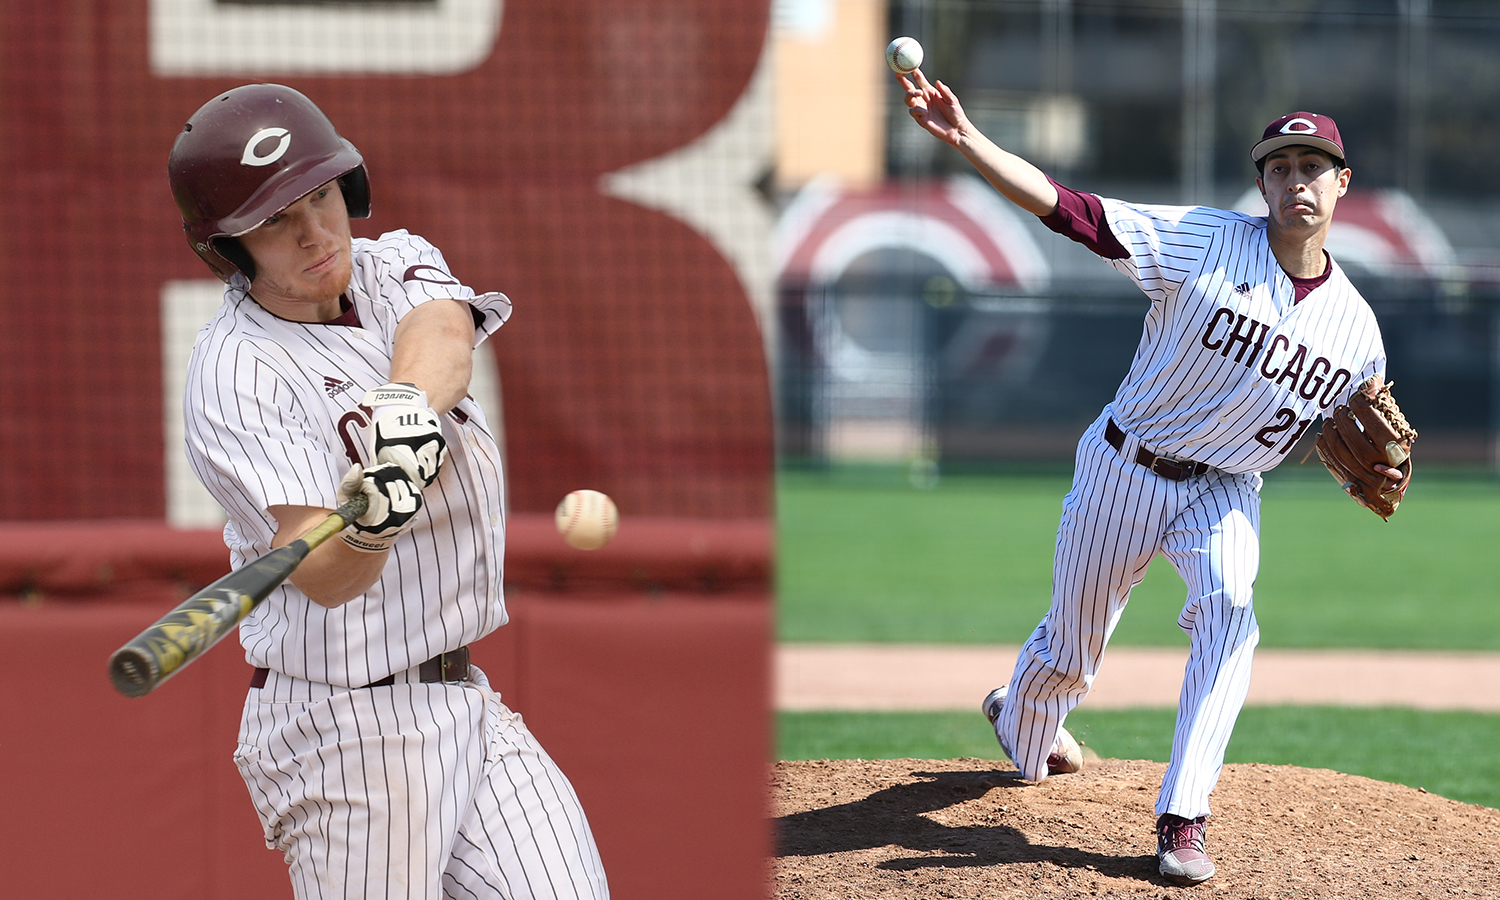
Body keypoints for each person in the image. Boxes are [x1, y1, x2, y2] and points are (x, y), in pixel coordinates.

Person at [899, 69, 1398, 885]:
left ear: (1341, 183)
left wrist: (1373, 465)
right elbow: (1076, 214)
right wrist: (968, 141)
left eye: (1313, 167)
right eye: (1280, 167)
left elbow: (1366, 434)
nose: (1296, 181)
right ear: (1261, 180)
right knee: (1071, 652)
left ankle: (1183, 816)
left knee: (1231, 615)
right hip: (1126, 464)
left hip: (1227, 487)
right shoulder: (1206, 240)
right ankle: (1021, 714)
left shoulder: (1359, 332)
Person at [167, 83, 610, 900]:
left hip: (462, 701)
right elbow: (328, 576)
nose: (312, 233)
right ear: (229, 246)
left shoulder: (385, 262)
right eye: (273, 221)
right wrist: (374, 523)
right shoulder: (233, 374)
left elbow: (442, 334)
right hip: (343, 731)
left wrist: (403, 413)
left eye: (320, 196)